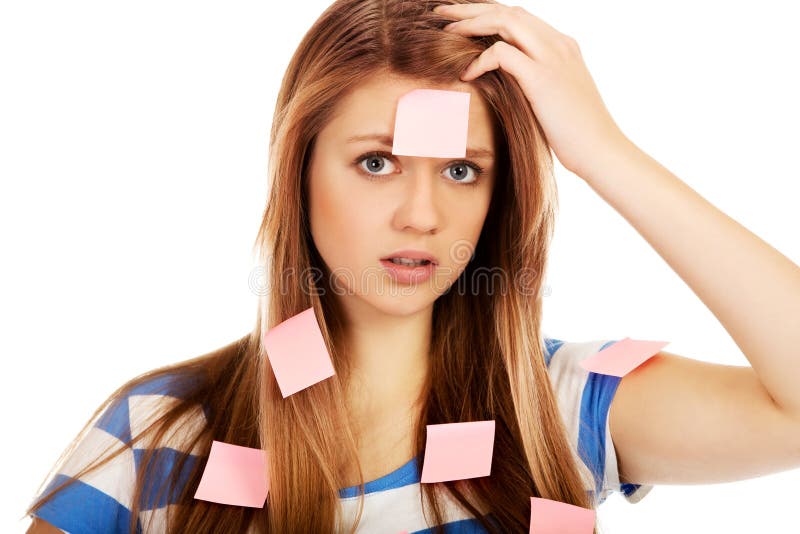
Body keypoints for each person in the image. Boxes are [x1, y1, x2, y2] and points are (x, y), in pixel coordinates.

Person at [25, 1, 800, 533]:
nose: (421, 215)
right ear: (299, 173)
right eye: (376, 162)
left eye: (463, 170)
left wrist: (603, 152)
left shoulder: (560, 411)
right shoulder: (160, 430)